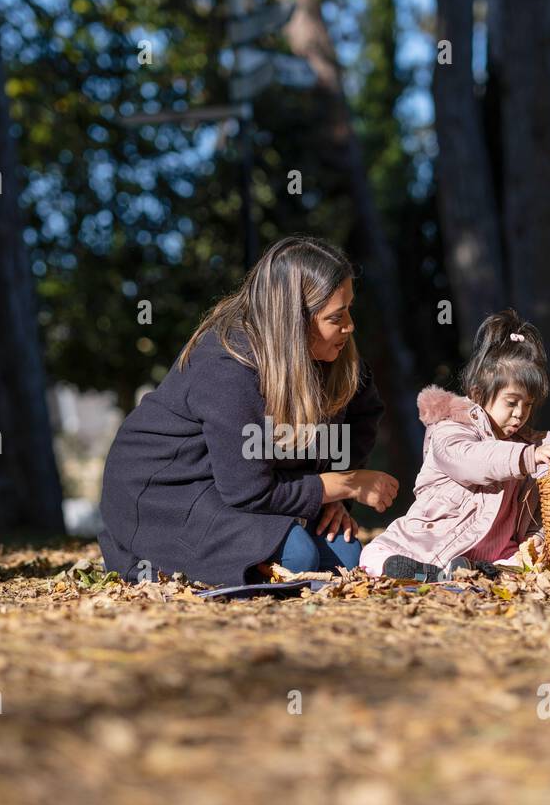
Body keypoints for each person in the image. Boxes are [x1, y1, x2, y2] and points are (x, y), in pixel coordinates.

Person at [99, 236, 398, 586]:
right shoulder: (229, 364)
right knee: (300, 556)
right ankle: (149, 556)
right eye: (336, 316)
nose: (350, 325)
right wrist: (339, 485)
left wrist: (333, 499)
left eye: (349, 308)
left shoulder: (333, 354)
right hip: (169, 492)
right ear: (295, 321)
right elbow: (248, 491)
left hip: (242, 488)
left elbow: (363, 415)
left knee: (344, 556)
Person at [360, 309, 550, 581]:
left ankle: (474, 573)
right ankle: (427, 573)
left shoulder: (525, 449)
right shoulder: (452, 429)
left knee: (523, 564)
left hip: (492, 552)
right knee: (375, 555)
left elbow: (537, 510)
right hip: (434, 542)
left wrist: (537, 538)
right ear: (478, 394)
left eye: (528, 405)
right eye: (511, 403)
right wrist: (527, 457)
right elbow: (473, 460)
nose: (519, 414)